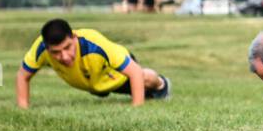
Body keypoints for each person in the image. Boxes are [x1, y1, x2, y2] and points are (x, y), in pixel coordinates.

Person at [16, 18, 170, 108]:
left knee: (144, 77)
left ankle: (162, 84)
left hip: (117, 75)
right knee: (102, 89)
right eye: (55, 52)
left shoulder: (94, 43)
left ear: (74, 37)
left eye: (67, 47)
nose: (64, 56)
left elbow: (134, 72)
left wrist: (137, 107)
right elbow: (23, 75)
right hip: (94, 83)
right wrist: (23, 108)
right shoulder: (40, 49)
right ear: (47, 47)